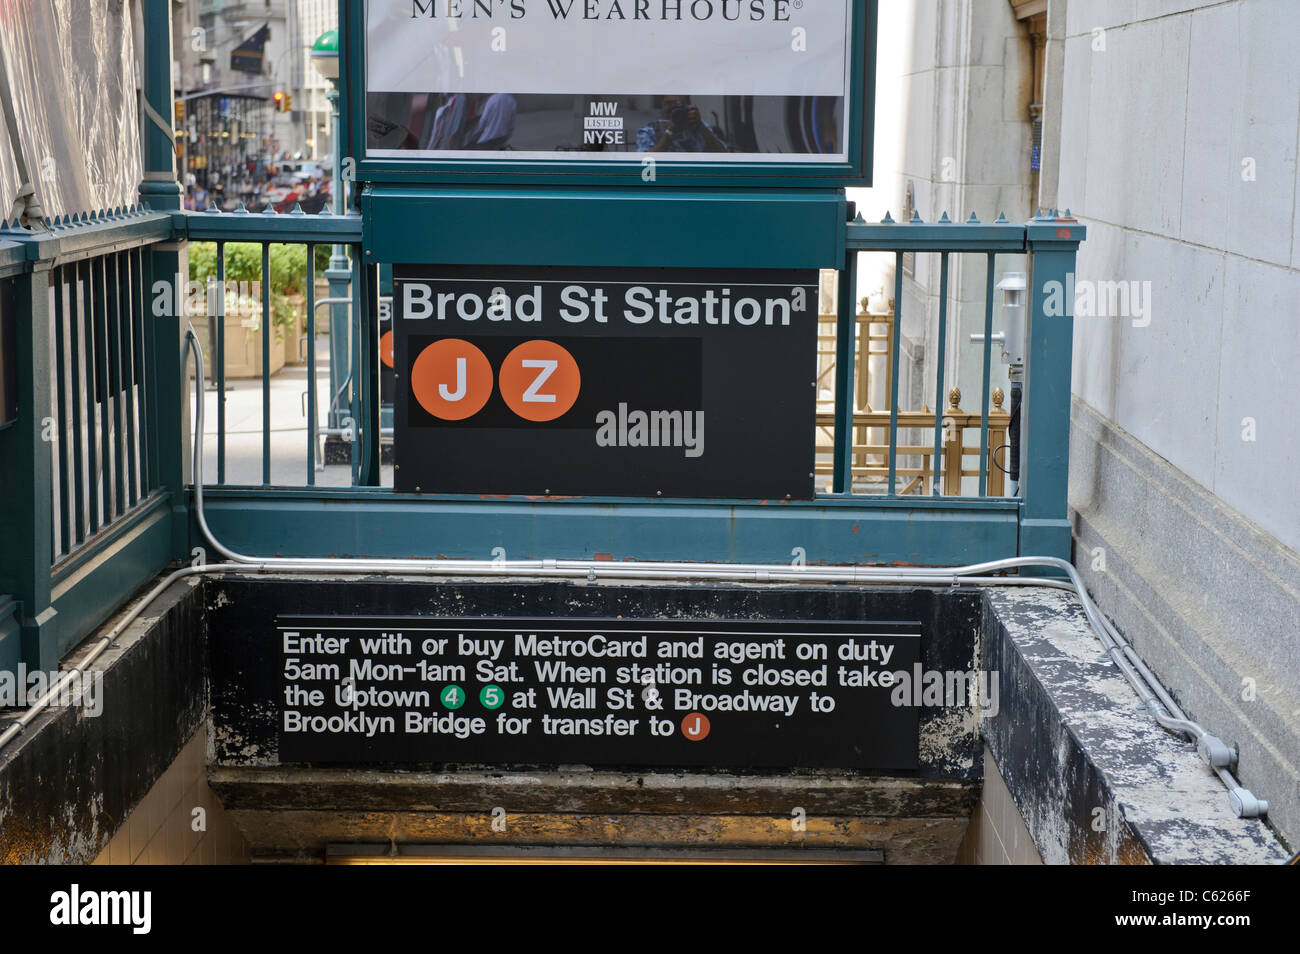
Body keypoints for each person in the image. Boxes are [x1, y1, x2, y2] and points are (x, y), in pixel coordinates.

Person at [636, 95, 727, 153]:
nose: (673, 108)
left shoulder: (698, 126)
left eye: (678, 104)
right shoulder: (649, 131)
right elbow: (644, 164)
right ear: (662, 106)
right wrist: (669, 133)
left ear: (688, 106)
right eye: (669, 103)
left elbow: (723, 155)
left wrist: (700, 125)